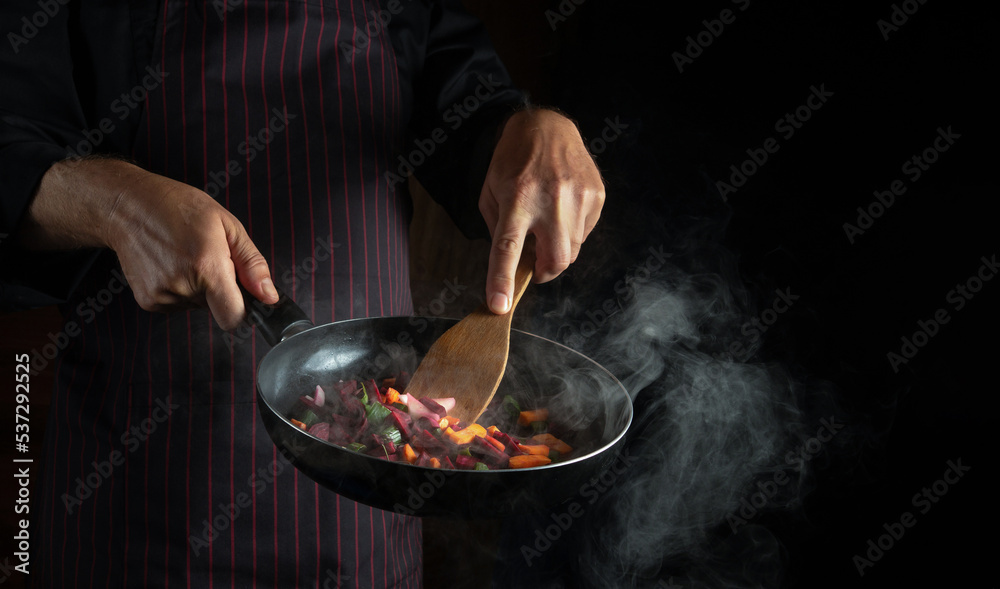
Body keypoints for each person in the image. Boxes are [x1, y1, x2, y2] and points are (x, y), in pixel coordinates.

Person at [0, 0, 604, 586]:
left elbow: (470, 117)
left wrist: (530, 129)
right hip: (148, 491)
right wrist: (112, 202)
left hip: (370, 511)